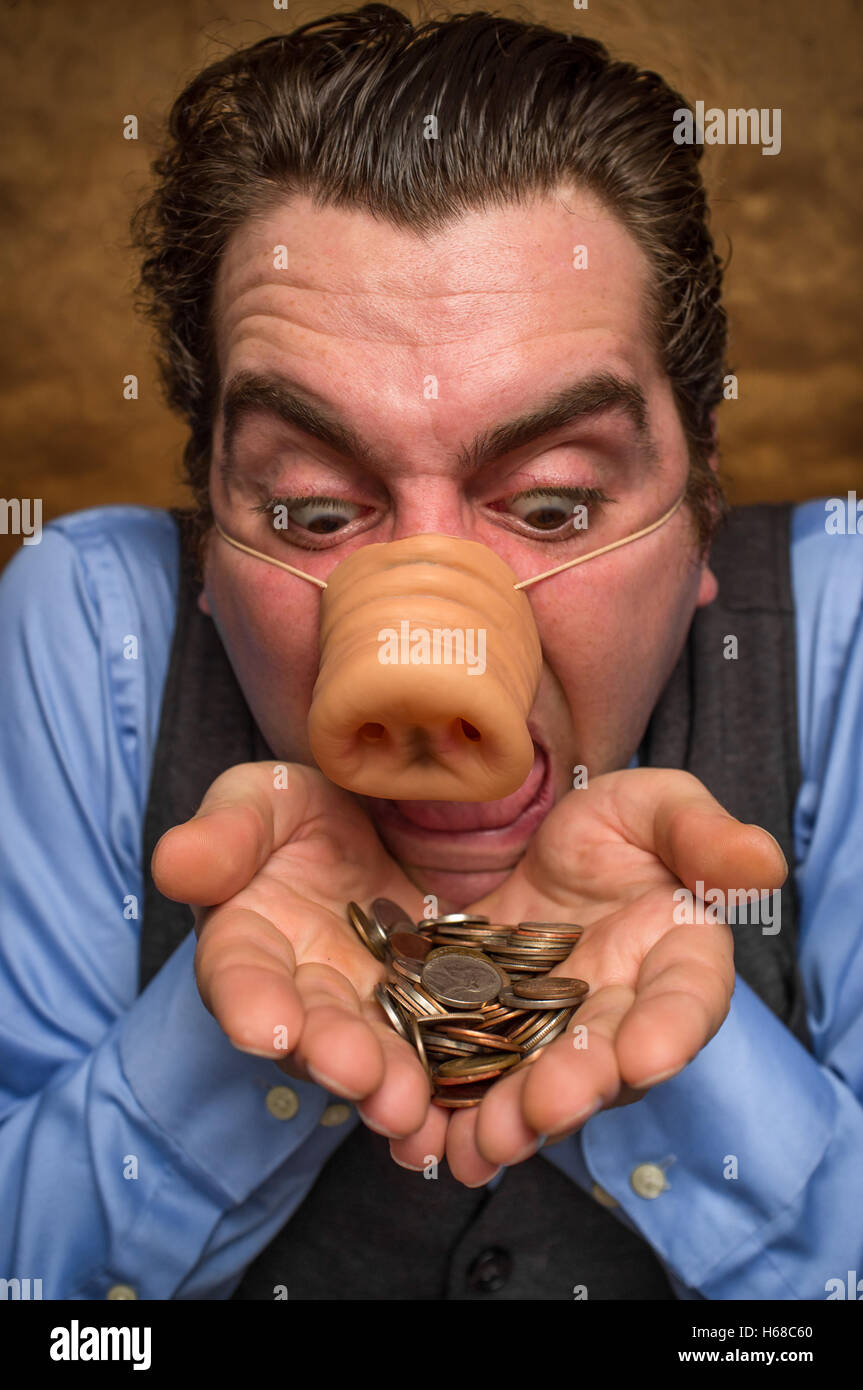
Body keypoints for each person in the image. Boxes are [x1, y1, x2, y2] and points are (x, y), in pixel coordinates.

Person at [1, 6, 861, 1302]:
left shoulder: (841, 610)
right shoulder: (92, 614)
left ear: (702, 514)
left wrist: (667, 1055)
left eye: (557, 502)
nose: (424, 626)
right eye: (310, 508)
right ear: (210, 547)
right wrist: (237, 1037)